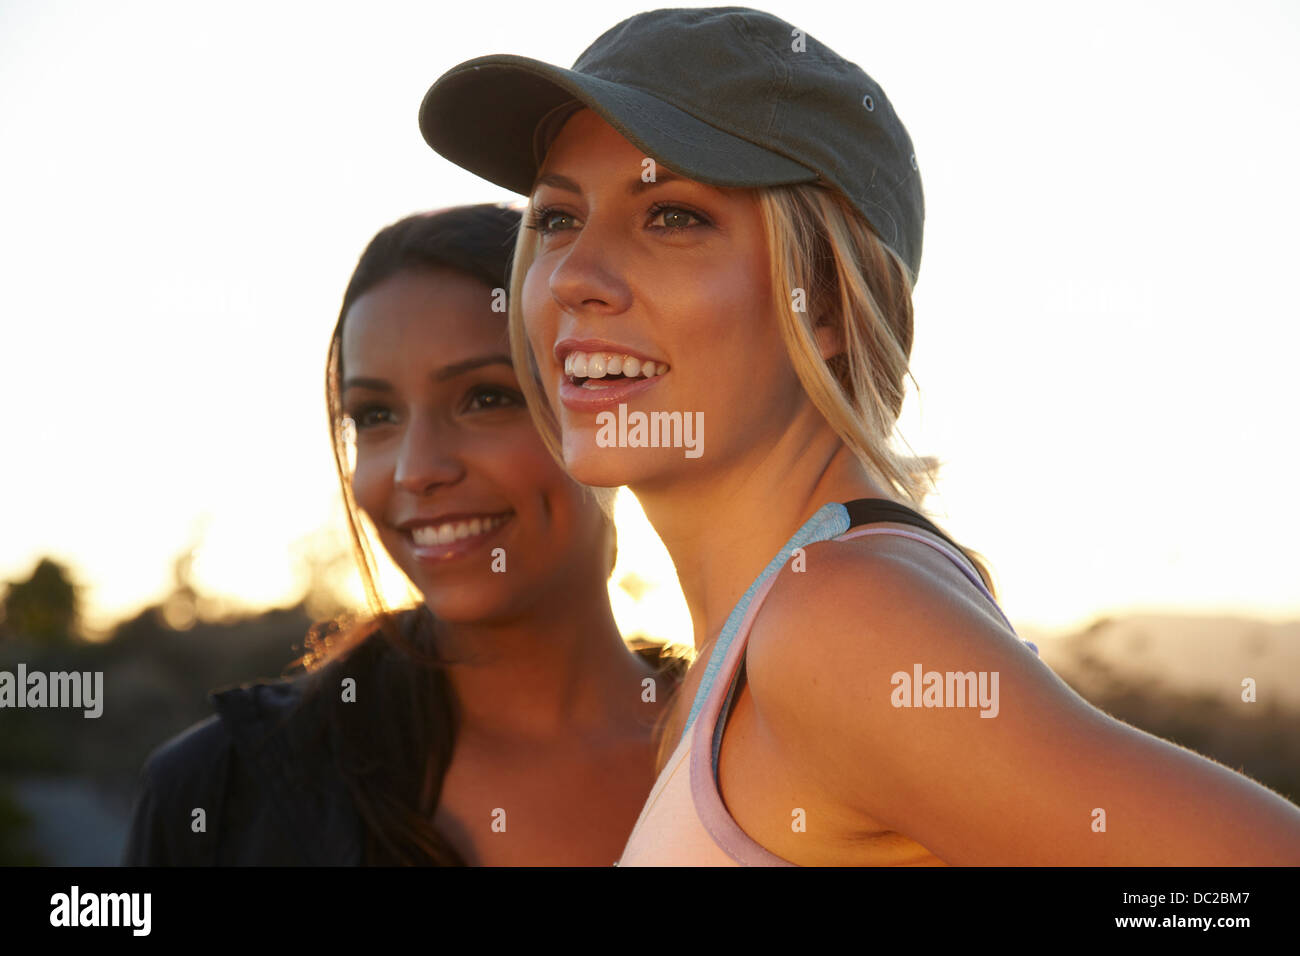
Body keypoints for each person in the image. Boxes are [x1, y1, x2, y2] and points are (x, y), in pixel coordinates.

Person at [417, 7, 1300, 865]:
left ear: (829, 298)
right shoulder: (748, 655)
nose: (574, 277)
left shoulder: (840, 626)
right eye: (557, 218)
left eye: (672, 216)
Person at [122, 204, 682, 866]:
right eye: (376, 416)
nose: (417, 470)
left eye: (485, 397)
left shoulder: (760, 749)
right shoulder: (220, 792)